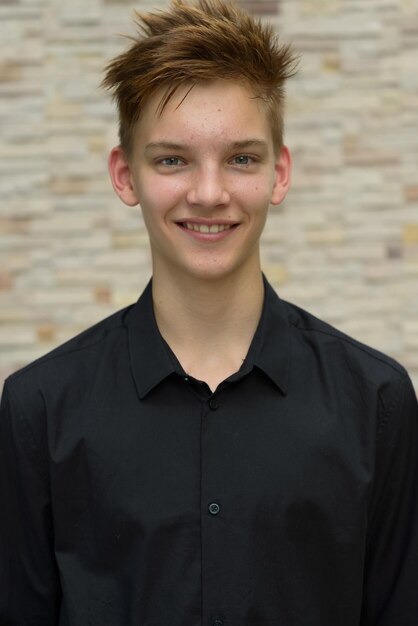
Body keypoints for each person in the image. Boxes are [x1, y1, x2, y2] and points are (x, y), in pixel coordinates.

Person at [1, 0, 417, 624]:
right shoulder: (39, 409)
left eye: (241, 158)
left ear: (279, 173)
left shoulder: (377, 401)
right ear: (125, 176)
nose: (209, 193)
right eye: (172, 159)